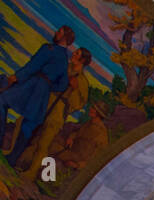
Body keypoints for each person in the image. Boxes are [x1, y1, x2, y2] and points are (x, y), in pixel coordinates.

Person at [0, 25, 75, 166]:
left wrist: (16, 77)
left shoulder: (49, 49)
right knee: (29, 125)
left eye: (59, 32)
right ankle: (13, 159)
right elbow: (62, 85)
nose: (56, 33)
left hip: (31, 85)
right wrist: (48, 86)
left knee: (2, 100)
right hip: (43, 93)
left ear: (64, 37)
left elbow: (32, 66)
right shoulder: (64, 60)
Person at [19, 48, 91, 181]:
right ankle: (20, 162)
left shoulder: (82, 82)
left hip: (57, 113)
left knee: (43, 143)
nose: (73, 54)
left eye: (77, 54)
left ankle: (31, 172)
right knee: (29, 133)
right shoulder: (63, 67)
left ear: (82, 60)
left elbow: (78, 104)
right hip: (45, 102)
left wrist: (74, 89)